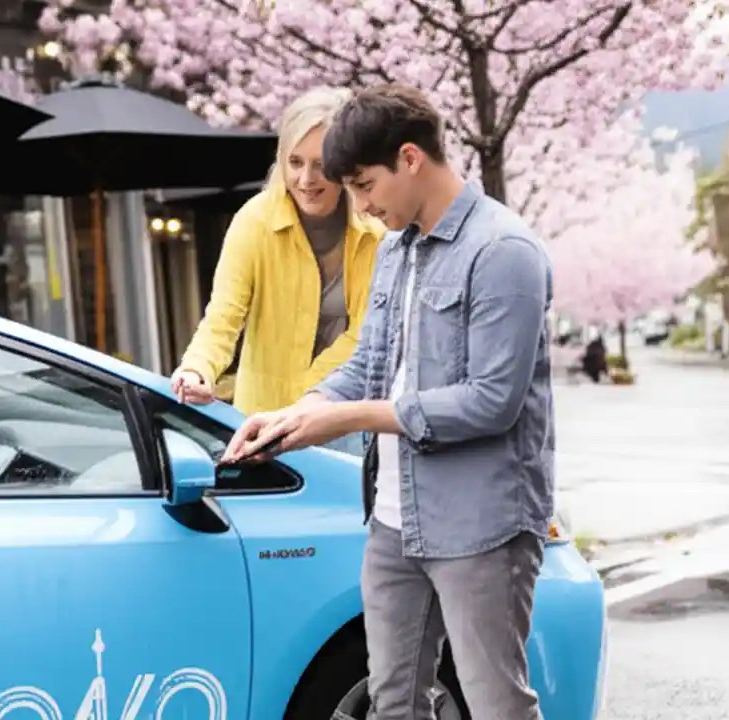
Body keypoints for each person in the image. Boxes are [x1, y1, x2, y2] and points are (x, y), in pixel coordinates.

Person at [221, 84, 555, 720]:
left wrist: (349, 418)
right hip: (395, 518)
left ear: (410, 159)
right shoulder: (398, 250)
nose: (362, 206)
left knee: (496, 705)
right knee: (391, 701)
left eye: (365, 185)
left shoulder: (504, 251)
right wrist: (298, 413)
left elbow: (492, 402)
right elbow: (371, 364)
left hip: (481, 525)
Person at [169, 87, 385, 454]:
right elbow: (223, 317)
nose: (305, 179)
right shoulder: (253, 222)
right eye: (295, 162)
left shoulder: (374, 232)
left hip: (341, 418)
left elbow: (365, 336)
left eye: (320, 165)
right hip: (262, 422)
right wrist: (197, 370)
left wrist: (309, 400)